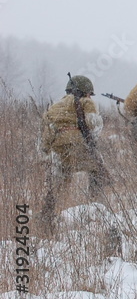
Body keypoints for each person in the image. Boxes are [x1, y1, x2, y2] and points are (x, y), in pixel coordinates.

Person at [39, 75, 109, 227]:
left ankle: (50, 215)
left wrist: (44, 153)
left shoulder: (55, 106)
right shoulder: (86, 102)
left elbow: (44, 133)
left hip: (55, 148)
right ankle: (95, 206)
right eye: (90, 93)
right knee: (98, 171)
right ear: (85, 92)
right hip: (76, 145)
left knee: (59, 184)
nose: (90, 96)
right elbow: (93, 124)